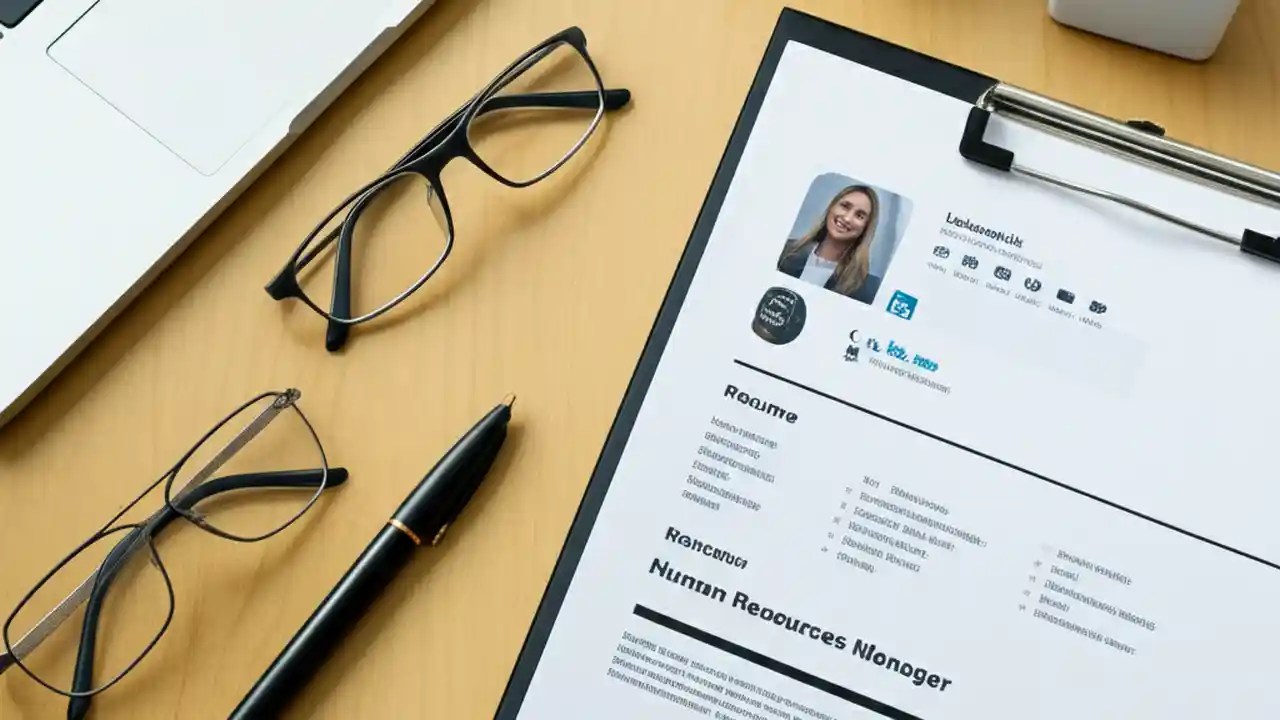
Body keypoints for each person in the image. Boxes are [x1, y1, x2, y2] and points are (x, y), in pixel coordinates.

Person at [777, 184, 883, 304]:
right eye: (845, 206)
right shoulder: (784, 250)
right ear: (831, 207)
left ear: (866, 227)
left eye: (859, 216)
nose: (847, 218)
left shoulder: (867, 288)